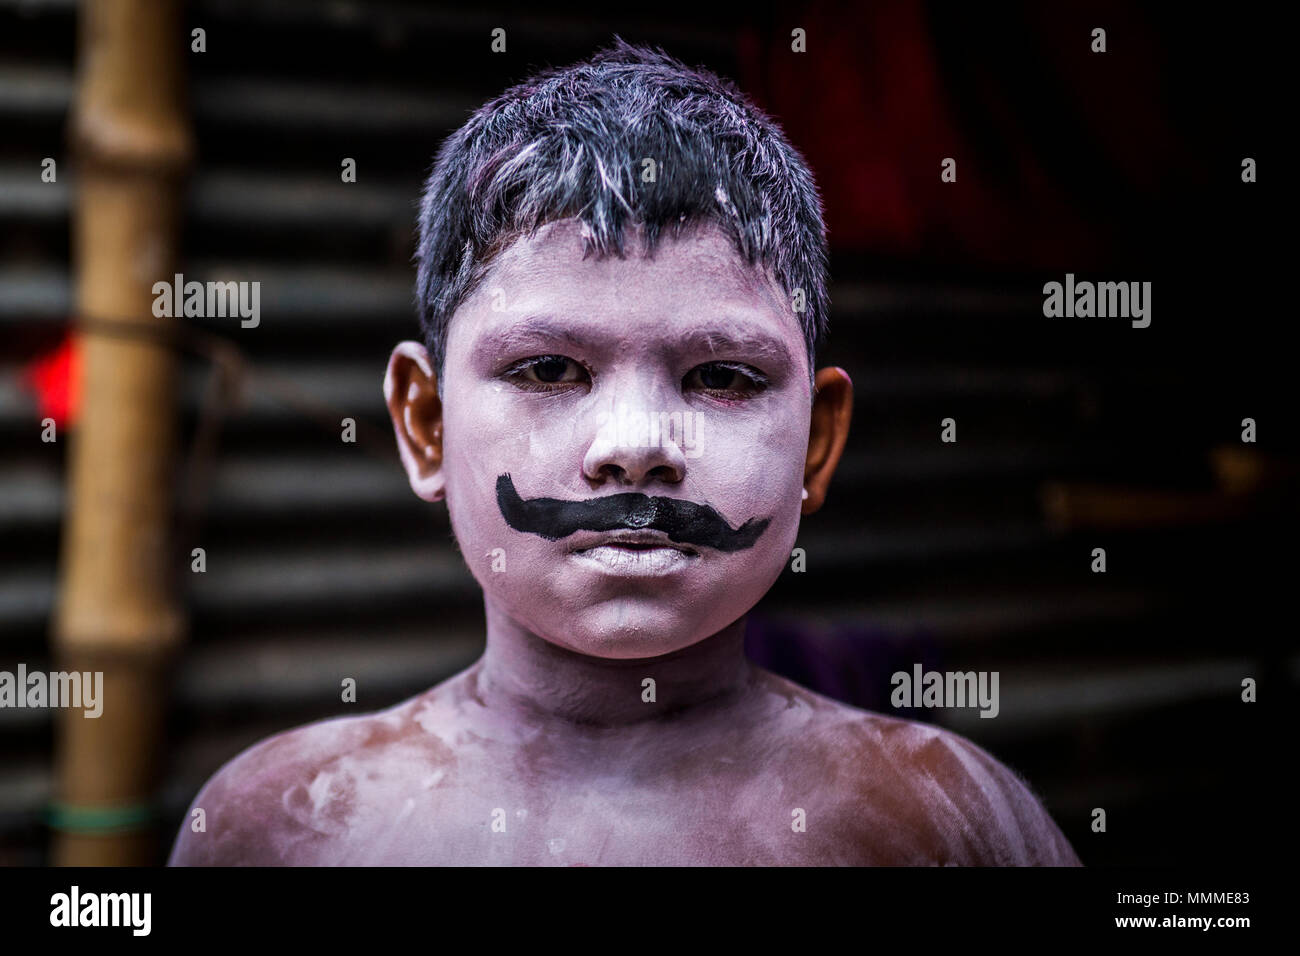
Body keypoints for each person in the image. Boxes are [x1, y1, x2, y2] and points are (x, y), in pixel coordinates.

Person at [168, 41, 1079, 866]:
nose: (637, 447)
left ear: (817, 440)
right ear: (426, 423)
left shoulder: (941, 821)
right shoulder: (277, 826)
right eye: (551, 368)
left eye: (722, 378)